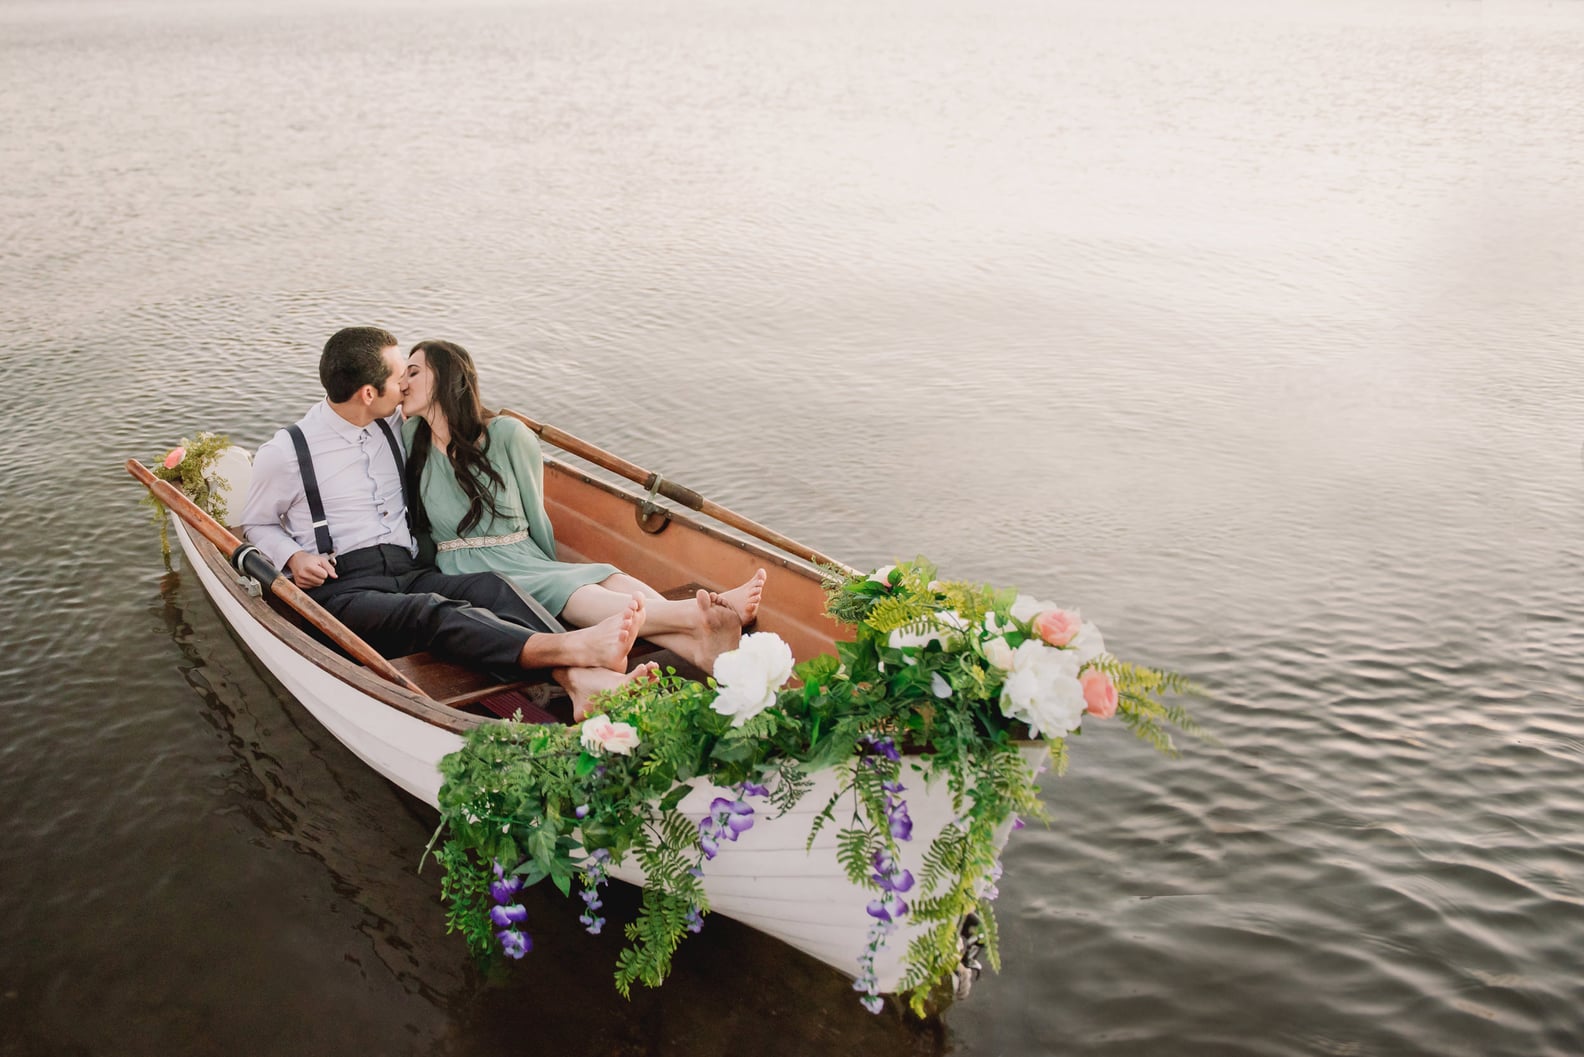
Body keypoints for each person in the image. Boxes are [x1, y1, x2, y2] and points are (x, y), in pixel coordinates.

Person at [239, 326, 654, 716]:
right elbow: (256, 523)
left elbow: (446, 408)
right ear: (369, 392)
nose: (405, 385)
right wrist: (293, 557)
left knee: (491, 587)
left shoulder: (394, 426)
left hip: (410, 568)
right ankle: (575, 650)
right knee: (432, 612)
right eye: (400, 377)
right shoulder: (287, 452)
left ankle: (583, 680)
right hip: (344, 587)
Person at [398, 339, 766, 674]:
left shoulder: (508, 435)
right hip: (467, 569)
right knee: (574, 591)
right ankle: (699, 614)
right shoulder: (412, 439)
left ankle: (696, 649)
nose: (403, 383)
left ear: (448, 376)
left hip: (523, 553)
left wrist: (551, 568)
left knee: (604, 575)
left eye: (414, 372)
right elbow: (422, 529)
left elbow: (536, 517)